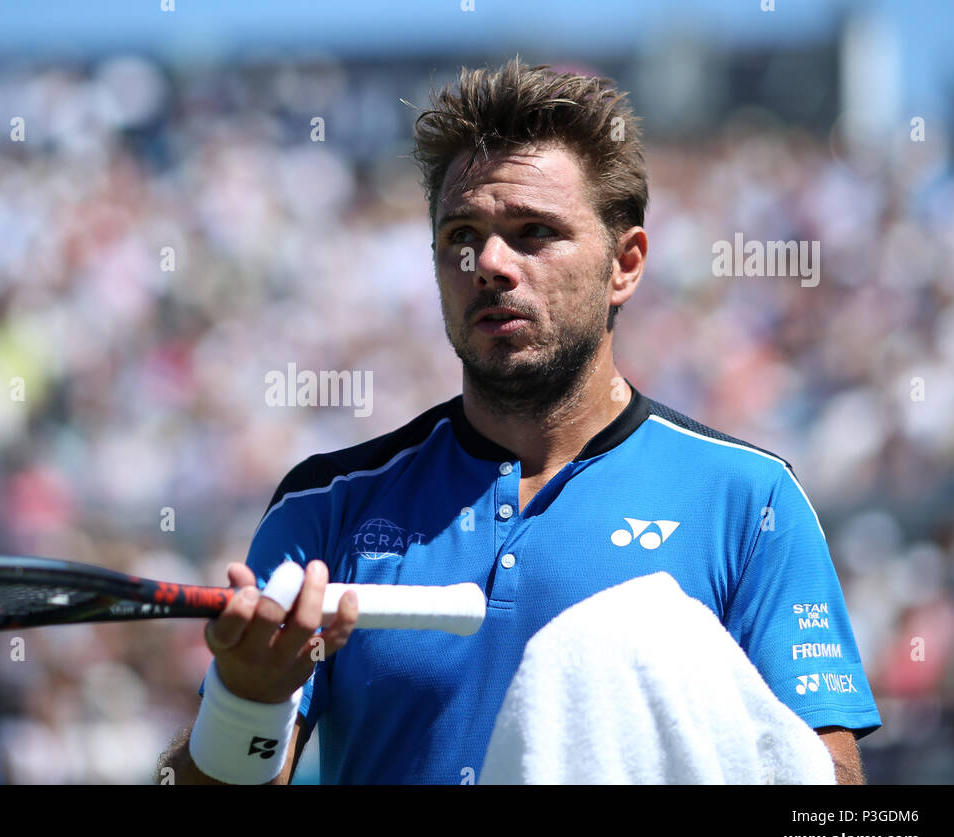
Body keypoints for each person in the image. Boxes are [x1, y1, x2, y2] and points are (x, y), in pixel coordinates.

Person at [157, 58, 881, 785]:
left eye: (534, 231)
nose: (490, 264)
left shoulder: (749, 500)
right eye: (462, 235)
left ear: (624, 265)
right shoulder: (327, 503)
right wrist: (247, 701)